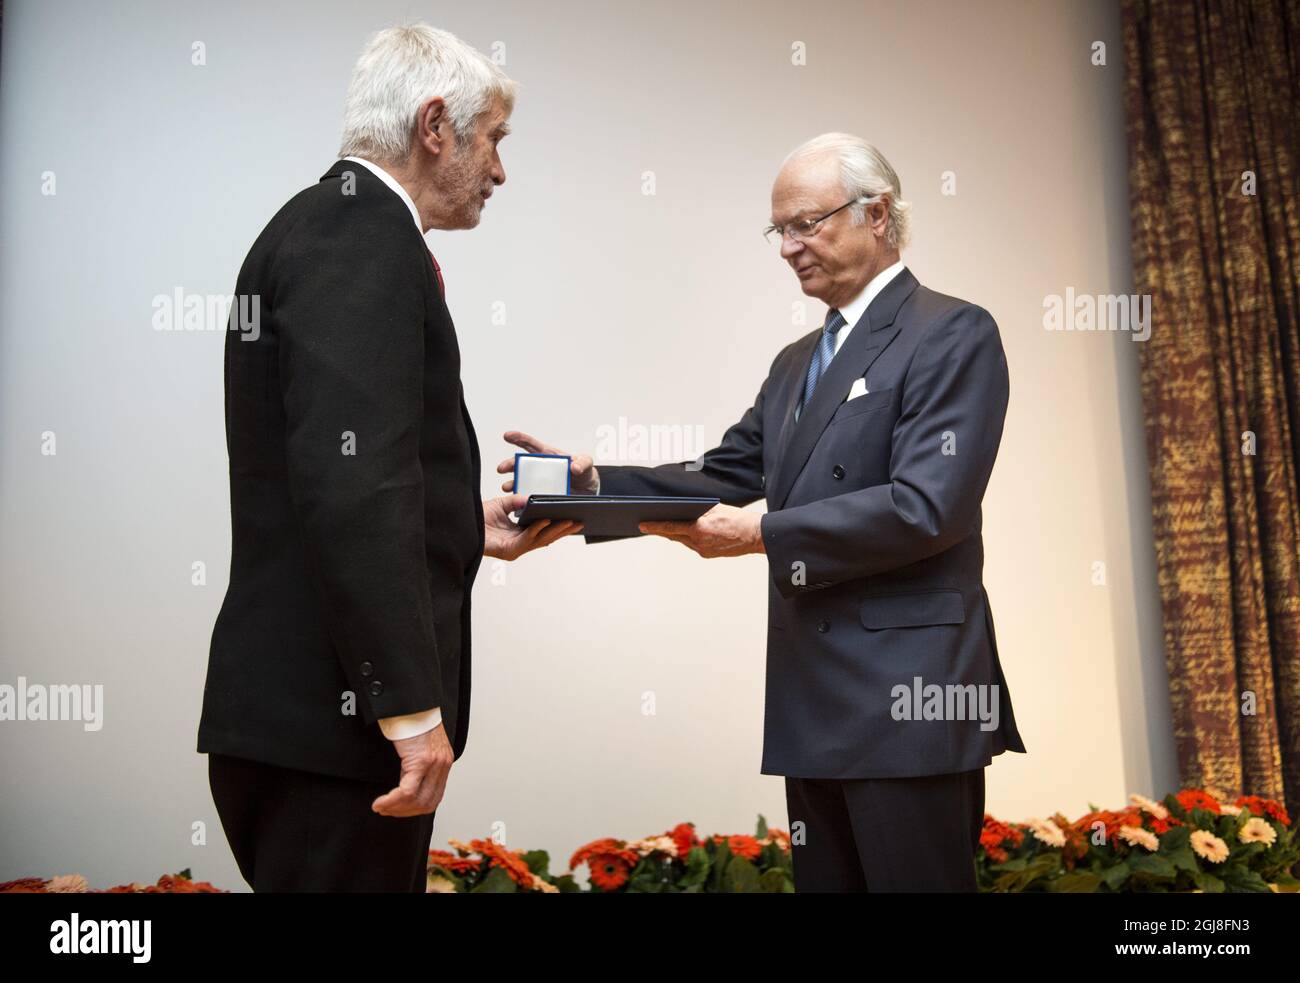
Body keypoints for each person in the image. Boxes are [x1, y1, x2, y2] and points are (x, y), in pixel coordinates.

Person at [498, 133, 1025, 892]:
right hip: (814, 698)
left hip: (909, 702)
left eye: (805, 223)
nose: (787, 247)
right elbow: (723, 472)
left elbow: (927, 507)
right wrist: (587, 488)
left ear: (877, 214)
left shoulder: (953, 331)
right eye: (779, 229)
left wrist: (761, 535)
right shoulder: (794, 364)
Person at [197, 24, 577, 893]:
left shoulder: (329, 224)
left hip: (308, 729)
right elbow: (353, 485)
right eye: (494, 140)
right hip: (336, 737)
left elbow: (347, 473)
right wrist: (406, 708)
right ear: (435, 124)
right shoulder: (361, 239)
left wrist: (459, 522)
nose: (500, 169)